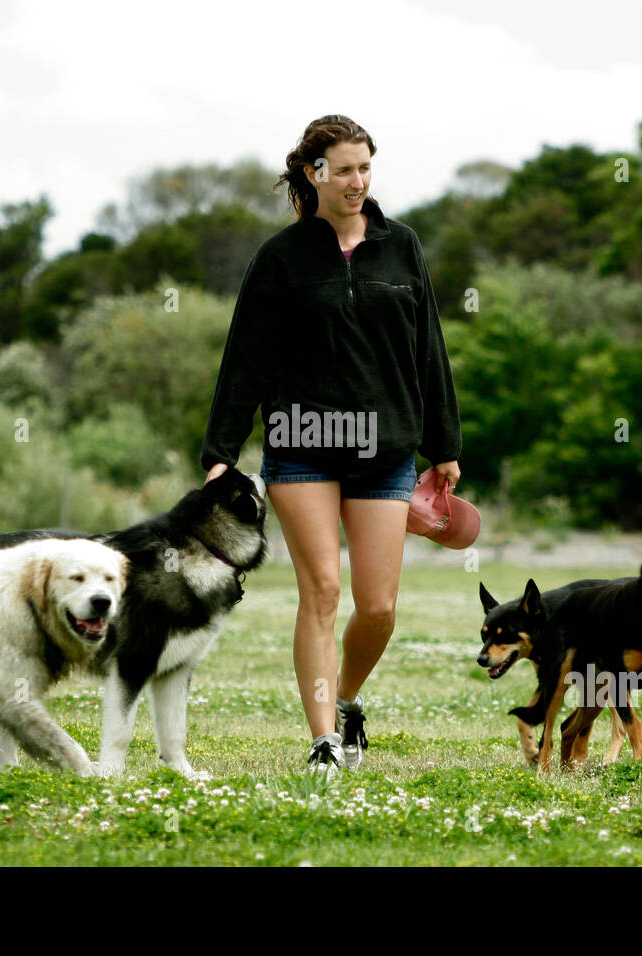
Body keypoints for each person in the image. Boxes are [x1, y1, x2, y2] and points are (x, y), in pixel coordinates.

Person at [201, 115, 462, 773]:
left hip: (386, 449)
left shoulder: (401, 247)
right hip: (302, 444)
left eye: (364, 168)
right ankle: (322, 742)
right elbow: (245, 360)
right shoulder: (281, 259)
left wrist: (444, 445)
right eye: (343, 169)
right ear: (314, 173)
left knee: (378, 607)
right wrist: (220, 452)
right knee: (320, 590)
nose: (356, 181)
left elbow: (427, 347)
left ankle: (345, 700)